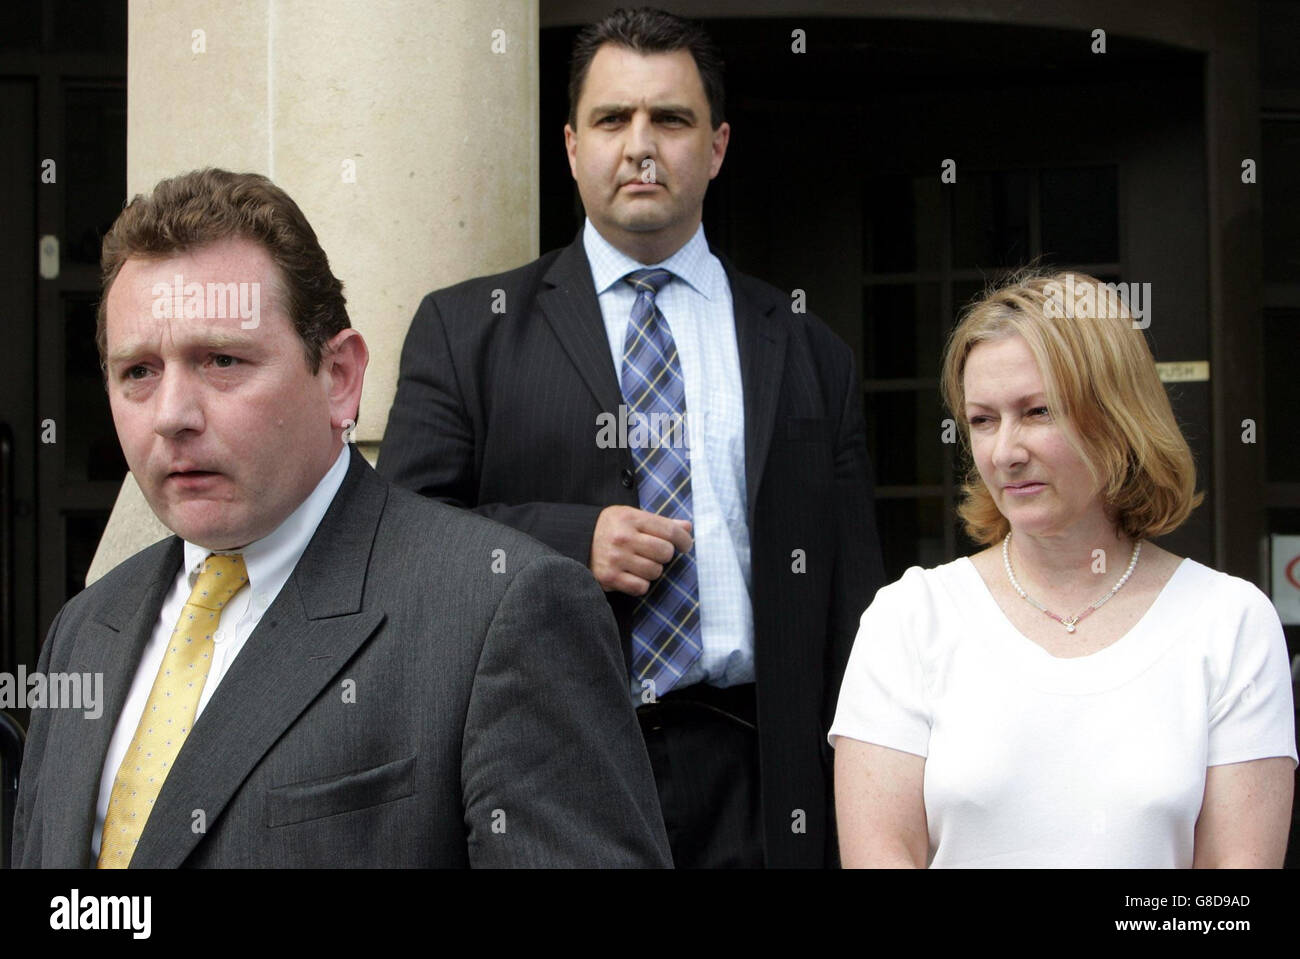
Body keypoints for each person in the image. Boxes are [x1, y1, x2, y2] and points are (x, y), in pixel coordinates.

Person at [12, 168, 671, 868]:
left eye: (222, 360)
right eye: (138, 371)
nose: (172, 414)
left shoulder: (501, 612)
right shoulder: (84, 631)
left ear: (340, 378)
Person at [378, 8, 885, 868]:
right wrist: (570, 539)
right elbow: (397, 534)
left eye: (672, 119)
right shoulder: (469, 331)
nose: (641, 145)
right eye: (614, 119)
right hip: (547, 770)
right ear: (572, 146)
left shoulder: (805, 346)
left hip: (759, 778)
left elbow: (855, 601)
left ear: (717, 147)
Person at [831, 270, 1297, 868]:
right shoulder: (909, 619)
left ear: (1118, 418)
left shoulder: (1228, 623)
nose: (1006, 451)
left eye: (1038, 411)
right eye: (982, 420)